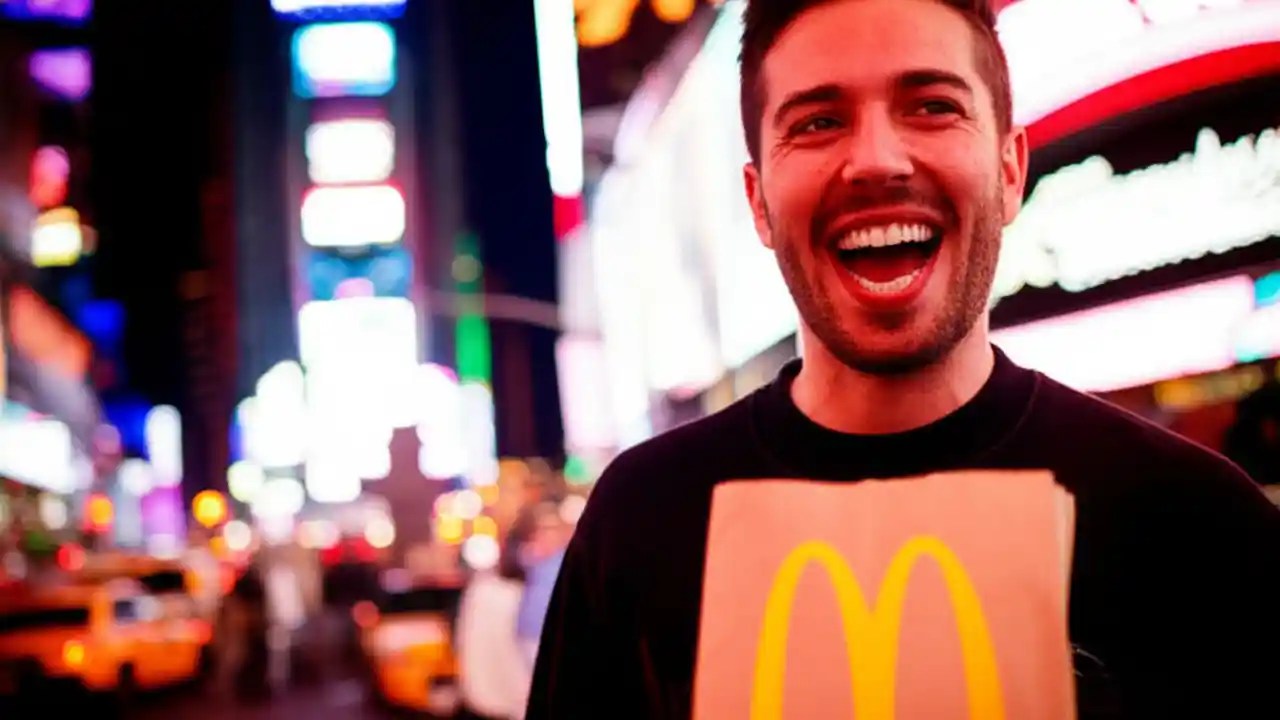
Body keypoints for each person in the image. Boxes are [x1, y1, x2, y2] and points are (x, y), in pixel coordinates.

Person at [526, 0, 1280, 717]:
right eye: (819, 122)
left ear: (1011, 169)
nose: (877, 161)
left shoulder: (1196, 523)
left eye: (932, 106)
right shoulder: (642, 523)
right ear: (757, 202)